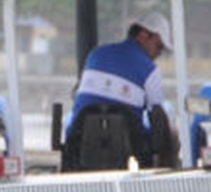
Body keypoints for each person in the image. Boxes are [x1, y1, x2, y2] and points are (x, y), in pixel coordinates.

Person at [67, 11, 171, 142]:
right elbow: (157, 117)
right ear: (143, 35)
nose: (159, 53)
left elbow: (77, 96)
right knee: (170, 136)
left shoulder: (95, 54)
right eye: (159, 46)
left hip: (77, 142)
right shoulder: (150, 70)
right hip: (127, 148)